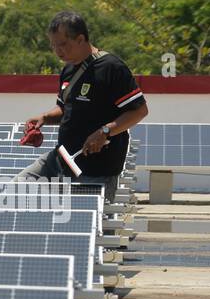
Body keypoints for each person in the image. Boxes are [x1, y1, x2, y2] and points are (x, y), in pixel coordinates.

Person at [16, 11, 149, 203]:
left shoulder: (111, 67)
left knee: (79, 223)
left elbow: (139, 111)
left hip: (96, 170)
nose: (58, 51)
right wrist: (45, 118)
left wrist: (105, 131)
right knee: (15, 190)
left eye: (63, 44)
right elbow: (64, 109)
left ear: (80, 39)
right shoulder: (68, 69)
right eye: (53, 45)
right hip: (61, 160)